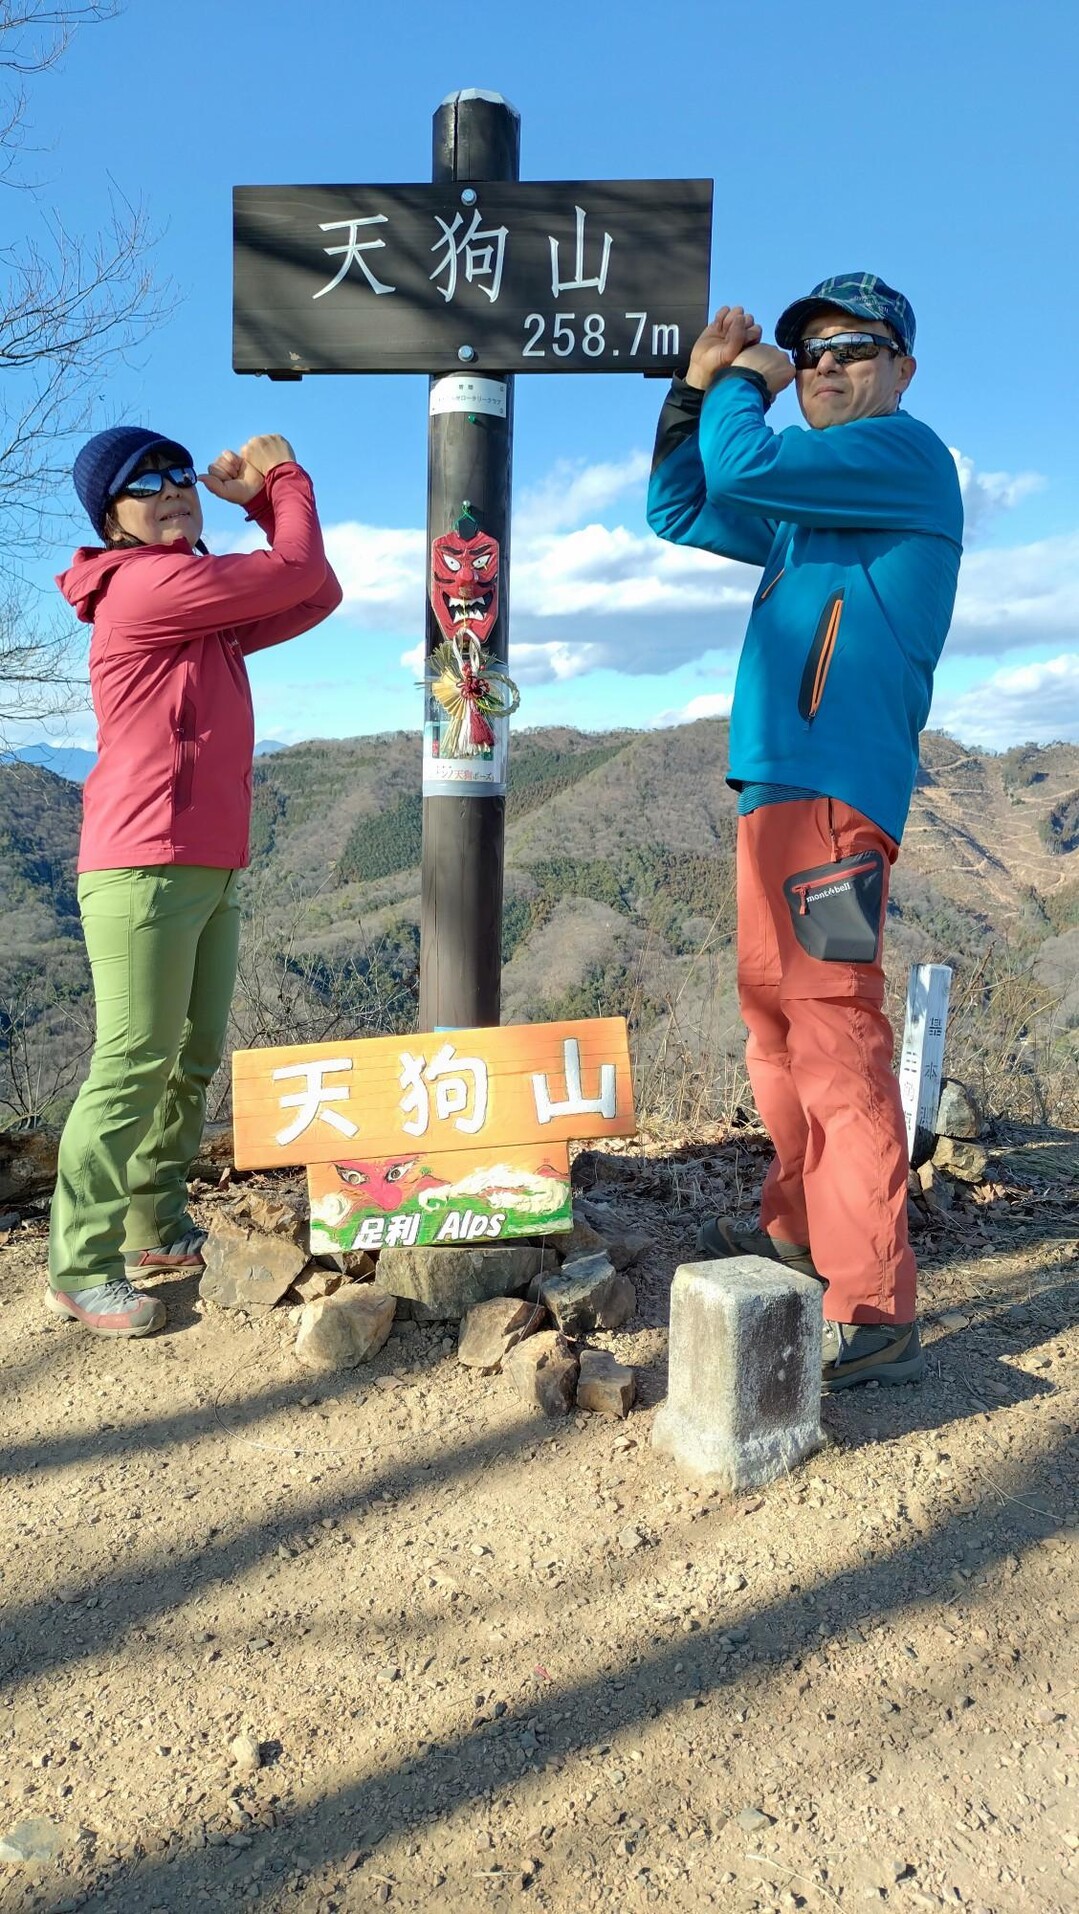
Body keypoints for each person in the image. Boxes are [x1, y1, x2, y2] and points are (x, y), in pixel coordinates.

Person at [647, 273, 963, 1390]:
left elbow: (742, 466)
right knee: (773, 1027)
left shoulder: (905, 455)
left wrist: (744, 379)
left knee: (832, 1030)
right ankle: (797, 1234)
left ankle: (872, 1299)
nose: (823, 365)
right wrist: (691, 397)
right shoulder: (819, 499)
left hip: (833, 791)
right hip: (774, 785)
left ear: (900, 369)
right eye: (808, 352)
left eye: (851, 348)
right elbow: (682, 506)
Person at [46, 425, 342, 1337]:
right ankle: (80, 1263)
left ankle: (155, 1224)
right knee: (133, 1062)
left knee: (190, 1058)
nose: (175, 488)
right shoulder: (148, 586)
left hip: (208, 859)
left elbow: (315, 590)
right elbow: (294, 568)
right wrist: (282, 477)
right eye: (148, 482)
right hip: (140, 863)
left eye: (180, 475)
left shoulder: (194, 602)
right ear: (113, 518)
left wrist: (256, 502)